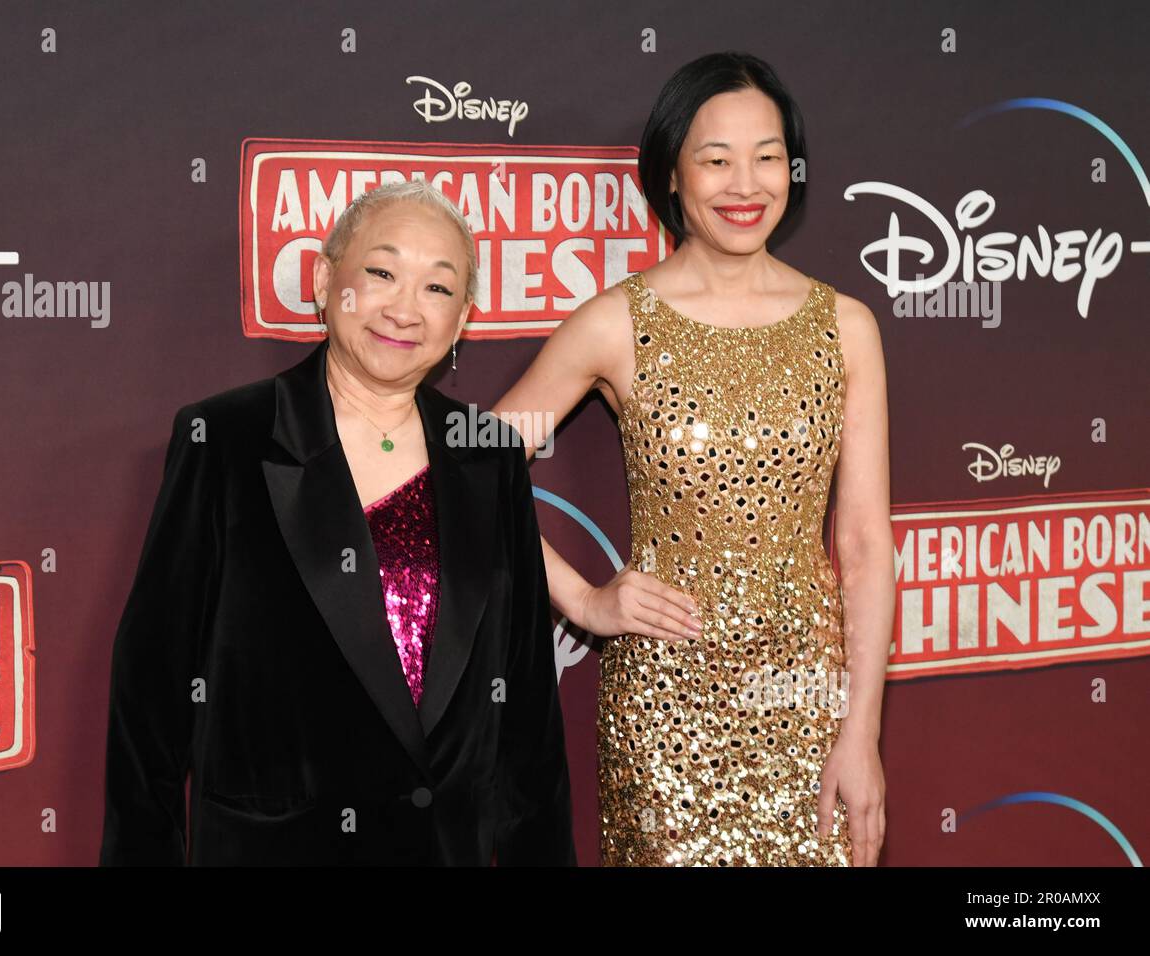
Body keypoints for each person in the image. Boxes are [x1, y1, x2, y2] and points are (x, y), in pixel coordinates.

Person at [492, 52, 894, 866]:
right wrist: (583, 601)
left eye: (768, 156)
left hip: (810, 707)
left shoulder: (846, 326)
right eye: (716, 159)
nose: (745, 184)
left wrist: (861, 733)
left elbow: (863, 546)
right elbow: (468, 475)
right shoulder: (615, 322)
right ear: (672, 174)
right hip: (665, 710)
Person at [99, 180, 576, 866]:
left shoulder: (488, 456)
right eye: (381, 273)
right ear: (326, 280)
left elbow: (526, 716)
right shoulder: (226, 439)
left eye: (438, 289)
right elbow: (151, 690)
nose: (404, 309)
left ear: (464, 317)